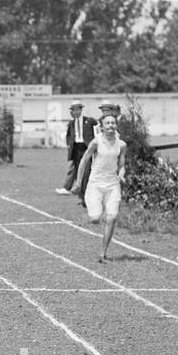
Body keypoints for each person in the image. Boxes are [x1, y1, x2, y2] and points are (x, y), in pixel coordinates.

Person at [76, 114, 127, 263]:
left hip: (112, 184)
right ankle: (94, 213)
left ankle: (103, 253)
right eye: (107, 123)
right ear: (102, 126)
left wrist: (122, 174)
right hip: (96, 184)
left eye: (113, 122)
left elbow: (122, 164)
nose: (111, 125)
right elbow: (84, 160)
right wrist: (79, 183)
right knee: (95, 219)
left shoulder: (122, 145)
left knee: (112, 217)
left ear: (116, 125)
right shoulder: (96, 142)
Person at [56, 101, 96, 195]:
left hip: (86, 147)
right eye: (74, 110)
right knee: (75, 168)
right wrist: (69, 144)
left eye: (78, 109)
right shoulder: (71, 123)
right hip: (76, 147)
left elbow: (97, 132)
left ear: (81, 110)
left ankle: (85, 189)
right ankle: (68, 188)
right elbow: (69, 135)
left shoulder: (89, 121)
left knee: (87, 168)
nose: (76, 112)